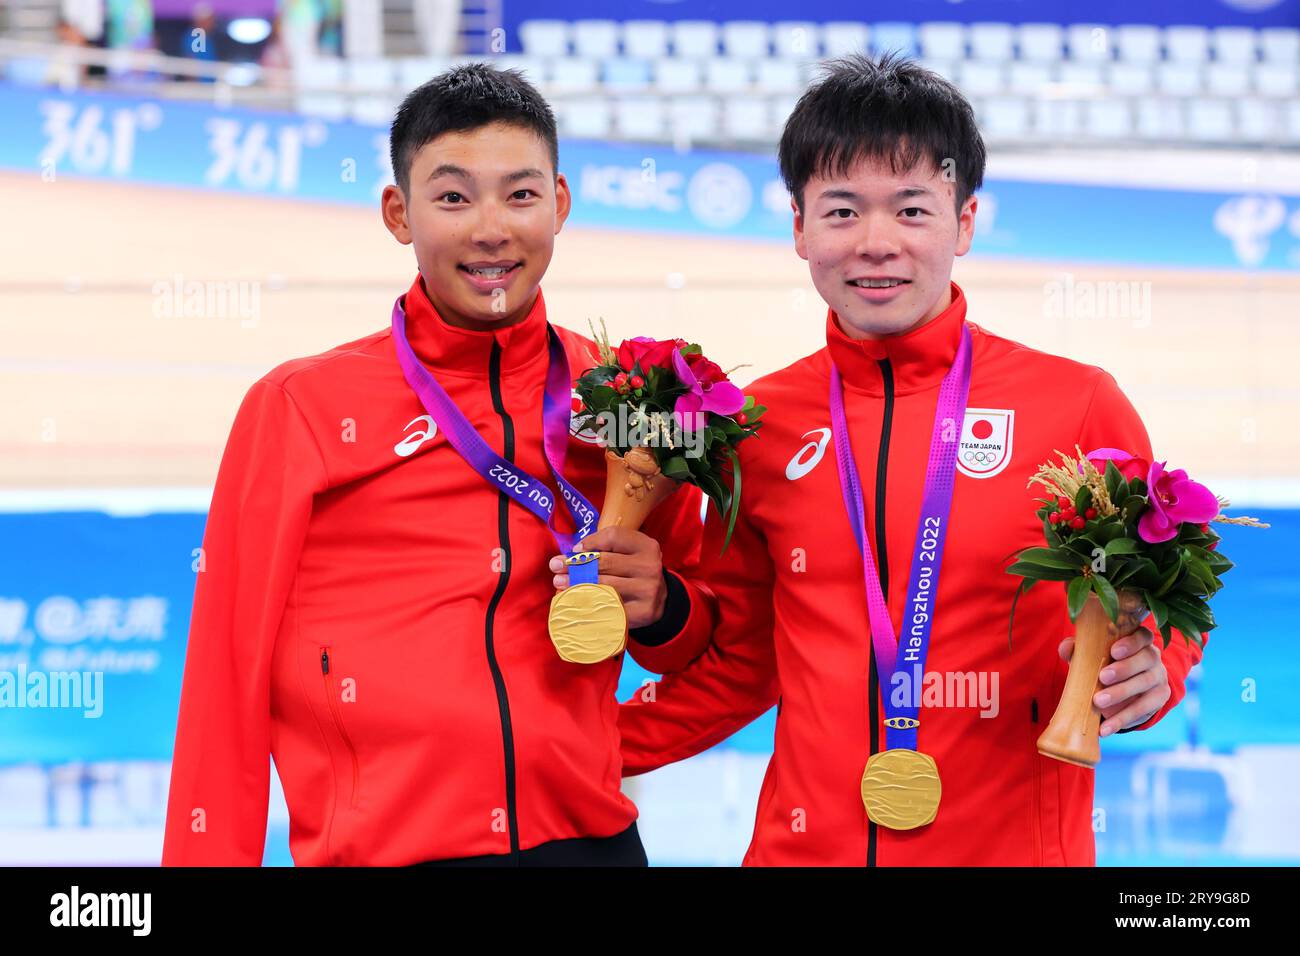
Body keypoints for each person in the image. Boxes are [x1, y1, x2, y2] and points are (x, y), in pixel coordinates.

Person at [616, 52, 1204, 866]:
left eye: (913, 210)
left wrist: (1156, 670)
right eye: (843, 210)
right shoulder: (760, 426)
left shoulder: (1076, 406)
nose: (877, 244)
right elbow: (744, 660)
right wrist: (573, 756)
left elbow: (1159, 603)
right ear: (798, 227)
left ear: (965, 221)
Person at [162, 63, 716, 867]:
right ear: (398, 211)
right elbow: (224, 677)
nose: (491, 229)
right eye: (453, 197)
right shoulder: (298, 407)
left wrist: (661, 609)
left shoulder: (626, 399)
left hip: (594, 845)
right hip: (388, 853)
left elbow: (691, 640)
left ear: (559, 204)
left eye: (521, 196)